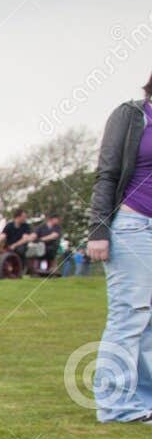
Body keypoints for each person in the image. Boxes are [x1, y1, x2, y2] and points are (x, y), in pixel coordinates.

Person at [87, 73, 152, 421]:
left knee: (150, 319)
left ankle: (143, 401)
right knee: (130, 315)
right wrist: (98, 229)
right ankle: (115, 404)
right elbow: (107, 173)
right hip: (134, 225)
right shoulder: (131, 115)